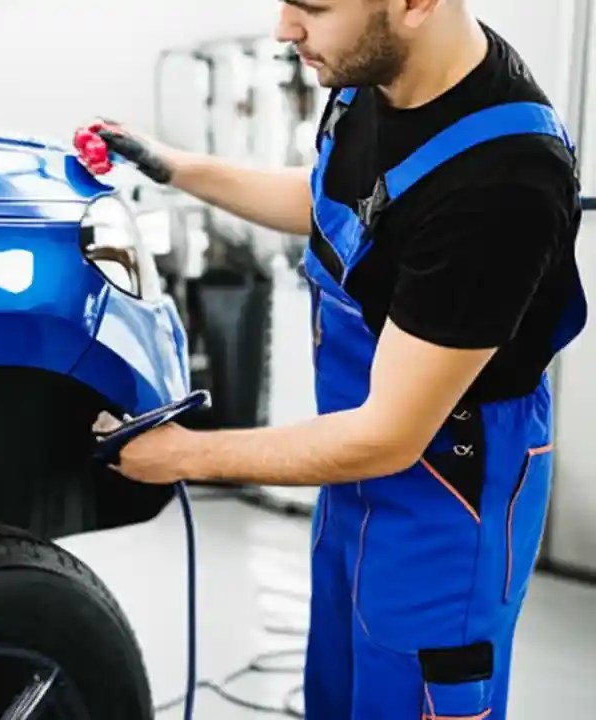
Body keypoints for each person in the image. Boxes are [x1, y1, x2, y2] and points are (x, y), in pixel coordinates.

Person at [79, 1, 586, 718]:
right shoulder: (371, 76)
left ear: (414, 5)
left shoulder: (500, 182)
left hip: (444, 506)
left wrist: (181, 456)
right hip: (355, 488)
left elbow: (388, 435)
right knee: (337, 691)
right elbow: (333, 202)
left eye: (313, 7)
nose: (286, 28)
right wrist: (174, 165)